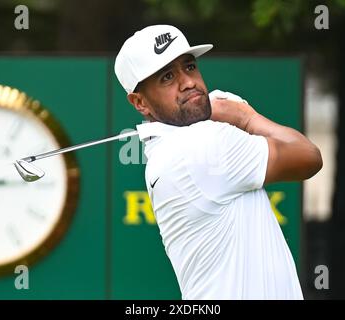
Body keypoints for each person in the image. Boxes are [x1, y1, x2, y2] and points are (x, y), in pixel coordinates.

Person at [114, 25, 322, 300]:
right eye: (167, 77)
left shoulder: (168, 151)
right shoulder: (201, 145)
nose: (188, 82)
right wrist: (246, 117)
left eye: (189, 67)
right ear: (140, 102)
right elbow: (309, 157)